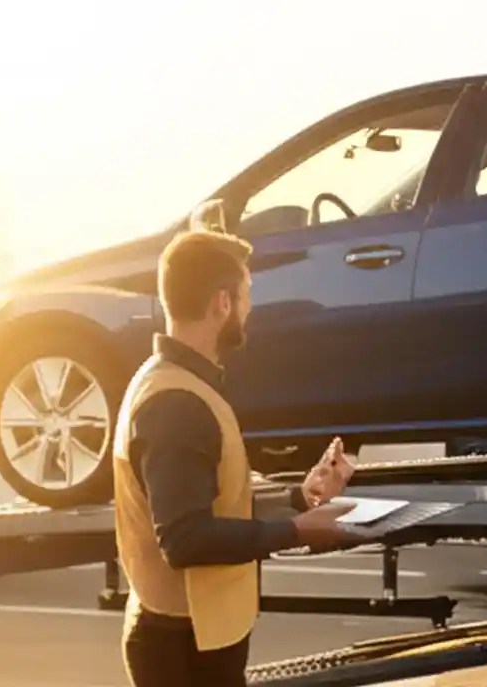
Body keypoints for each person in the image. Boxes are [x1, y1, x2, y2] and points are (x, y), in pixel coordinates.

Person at [112, 228, 359, 686]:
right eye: (247, 294)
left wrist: (301, 497)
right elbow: (185, 538)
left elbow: (214, 497)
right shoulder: (176, 405)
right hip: (184, 650)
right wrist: (298, 531)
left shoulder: (176, 382)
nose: (250, 308)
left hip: (193, 638)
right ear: (221, 303)